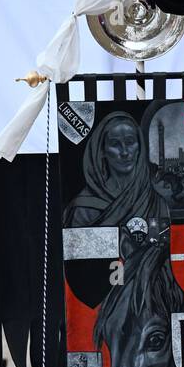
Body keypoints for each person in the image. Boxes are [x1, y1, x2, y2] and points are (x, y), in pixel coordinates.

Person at [64, 110, 170, 260]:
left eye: (130, 142)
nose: (125, 152)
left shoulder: (156, 203)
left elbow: (161, 258)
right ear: (102, 151)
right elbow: (80, 267)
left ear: (139, 147)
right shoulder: (83, 209)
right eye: (115, 144)